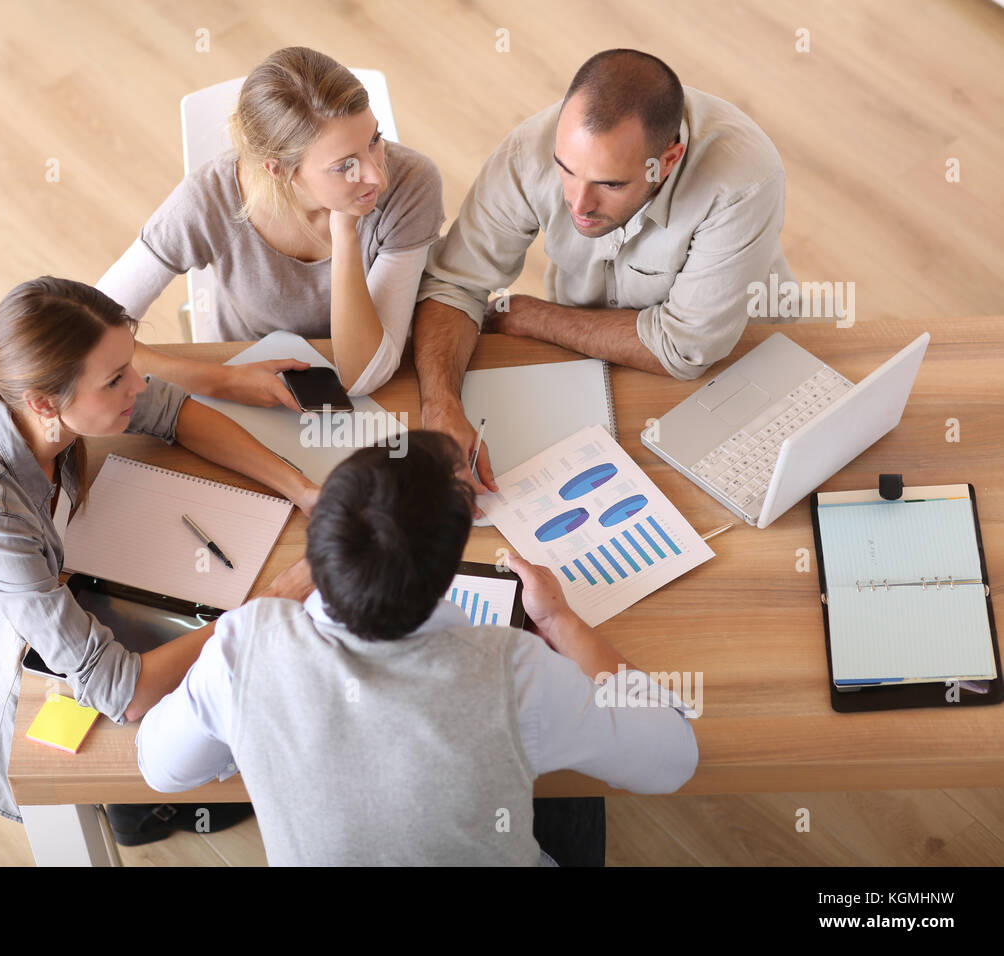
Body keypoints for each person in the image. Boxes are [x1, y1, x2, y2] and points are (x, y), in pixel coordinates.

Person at [135, 431, 698, 865]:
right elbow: (674, 760)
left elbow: (161, 769)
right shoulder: (516, 672)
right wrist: (562, 621)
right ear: (448, 568)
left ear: (320, 547)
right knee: (571, 785)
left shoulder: (242, 645)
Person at [0, 276, 319, 825]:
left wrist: (304, 489)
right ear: (45, 402)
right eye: (116, 380)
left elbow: (172, 411)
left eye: (132, 363)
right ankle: (139, 814)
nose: (139, 384)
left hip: (46, 608)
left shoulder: (33, 402)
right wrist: (266, 608)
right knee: (257, 698)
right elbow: (122, 692)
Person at [414, 48, 796, 492]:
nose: (578, 204)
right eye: (566, 170)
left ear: (667, 161)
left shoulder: (742, 180)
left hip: (738, 359)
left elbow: (685, 349)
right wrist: (439, 407)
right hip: (584, 353)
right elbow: (452, 283)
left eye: (610, 184)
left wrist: (532, 315)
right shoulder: (530, 149)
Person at [96, 45, 446, 395]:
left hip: (363, 379)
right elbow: (87, 330)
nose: (376, 176)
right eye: (345, 165)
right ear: (278, 169)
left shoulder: (412, 184)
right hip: (244, 368)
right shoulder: (208, 199)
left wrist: (345, 233)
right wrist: (223, 380)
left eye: (375, 140)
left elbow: (363, 375)